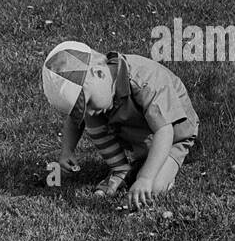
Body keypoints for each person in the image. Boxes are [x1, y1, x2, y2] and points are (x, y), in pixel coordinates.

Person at [43, 41, 199, 206]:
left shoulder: (144, 81)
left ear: (99, 73)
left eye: (87, 103)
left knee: (154, 187)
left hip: (173, 136)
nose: (87, 113)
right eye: (80, 110)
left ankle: (151, 164)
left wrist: (145, 178)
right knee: (92, 116)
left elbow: (165, 131)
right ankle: (120, 168)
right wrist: (67, 151)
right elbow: (74, 121)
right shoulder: (101, 91)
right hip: (140, 131)